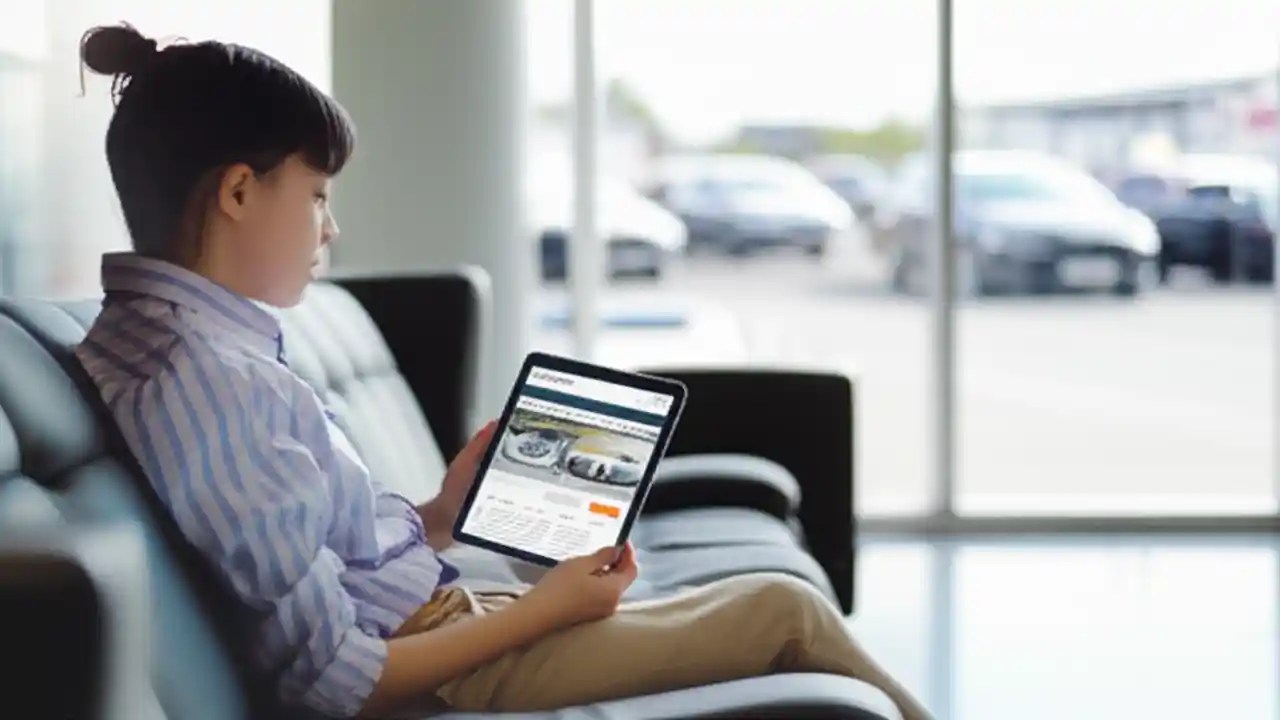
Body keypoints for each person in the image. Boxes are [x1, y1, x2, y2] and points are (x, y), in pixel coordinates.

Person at [73, 23, 932, 720]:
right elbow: (334, 681)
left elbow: (309, 550)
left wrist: (443, 516)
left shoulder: (176, 344)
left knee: (778, 600)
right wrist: (544, 612)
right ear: (237, 193)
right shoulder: (206, 381)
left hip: (448, 630)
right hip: (447, 673)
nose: (328, 229)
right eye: (318, 196)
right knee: (785, 612)